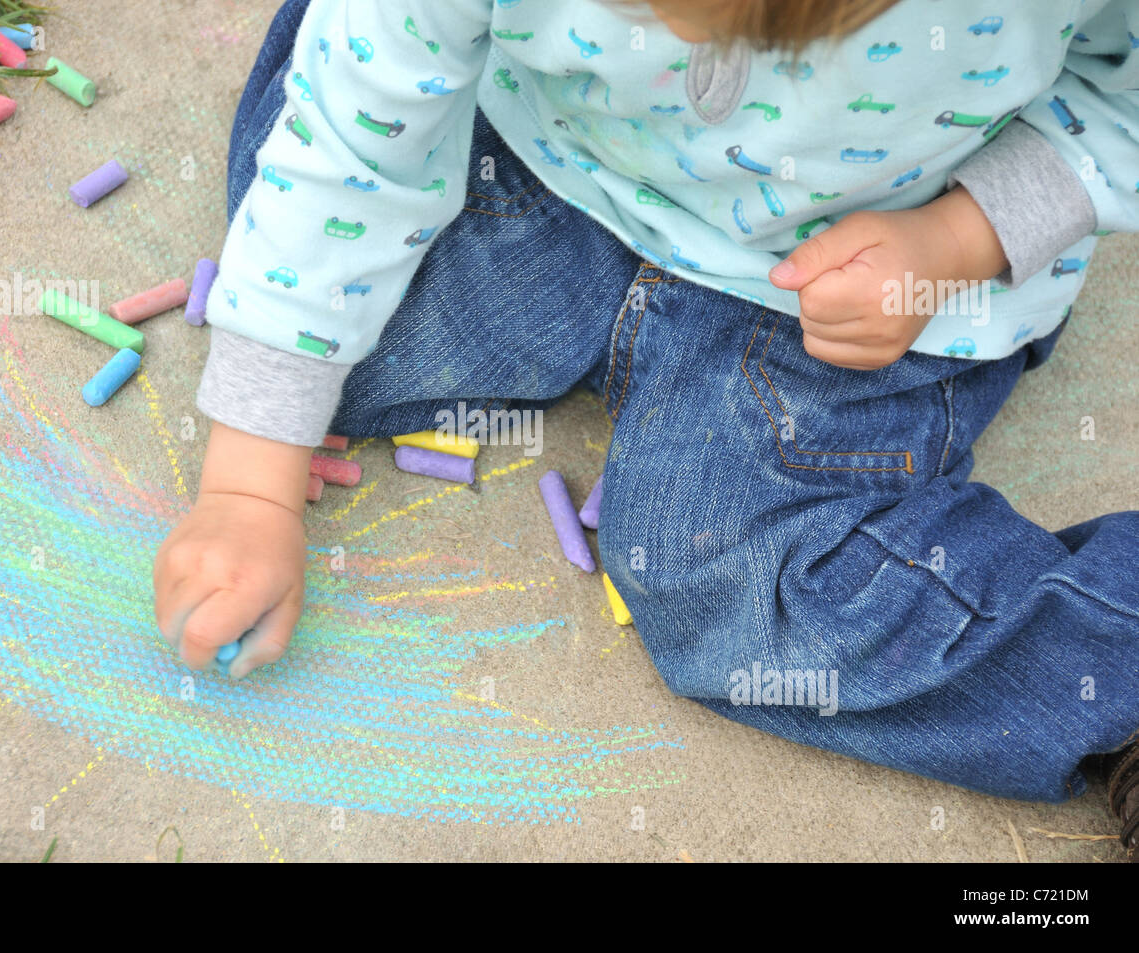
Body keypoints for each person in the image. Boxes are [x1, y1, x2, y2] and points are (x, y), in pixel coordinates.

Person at [153, 0, 1139, 857]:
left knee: (728, 581)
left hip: (865, 274)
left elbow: (1119, 103)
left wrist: (959, 238)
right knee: (299, 325)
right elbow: (350, 149)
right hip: (542, 159)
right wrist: (249, 480)